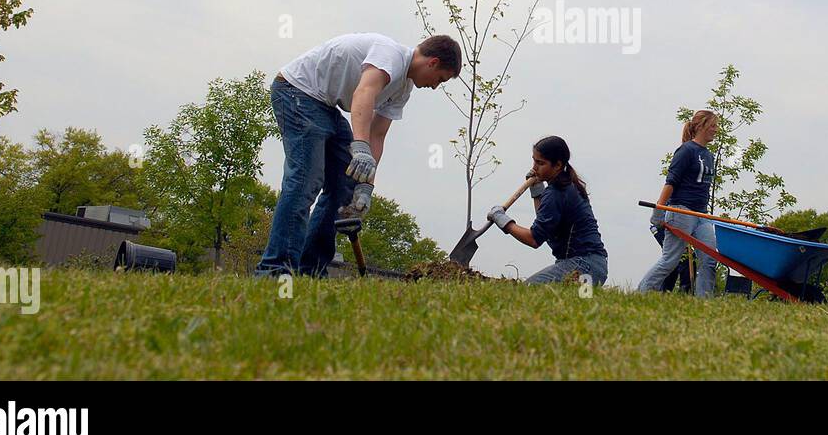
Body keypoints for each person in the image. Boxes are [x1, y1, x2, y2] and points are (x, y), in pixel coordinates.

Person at [255, 32, 461, 277]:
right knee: (305, 180)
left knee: (345, 183)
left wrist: (365, 185)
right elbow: (363, 93)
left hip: (325, 106)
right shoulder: (391, 55)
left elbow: (377, 134)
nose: (435, 86)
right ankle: (275, 270)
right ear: (433, 62)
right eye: (440, 79)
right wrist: (360, 148)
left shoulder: (403, 89)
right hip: (296, 92)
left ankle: (309, 271)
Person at [487, 136, 608, 287]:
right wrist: (537, 191)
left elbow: (534, 239)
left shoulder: (557, 191)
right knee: (577, 306)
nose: (534, 167)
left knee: (527, 290)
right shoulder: (567, 185)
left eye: (540, 163)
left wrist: (502, 220)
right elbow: (546, 226)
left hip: (582, 266)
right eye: (534, 161)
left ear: (557, 165)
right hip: (592, 266)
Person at [637, 110, 719, 297]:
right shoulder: (686, 151)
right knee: (671, 260)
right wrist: (659, 210)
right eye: (713, 125)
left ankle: (704, 301)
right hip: (681, 210)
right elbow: (671, 181)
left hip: (702, 215)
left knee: (709, 259)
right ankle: (642, 291)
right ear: (701, 126)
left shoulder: (709, 155)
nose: (716, 130)